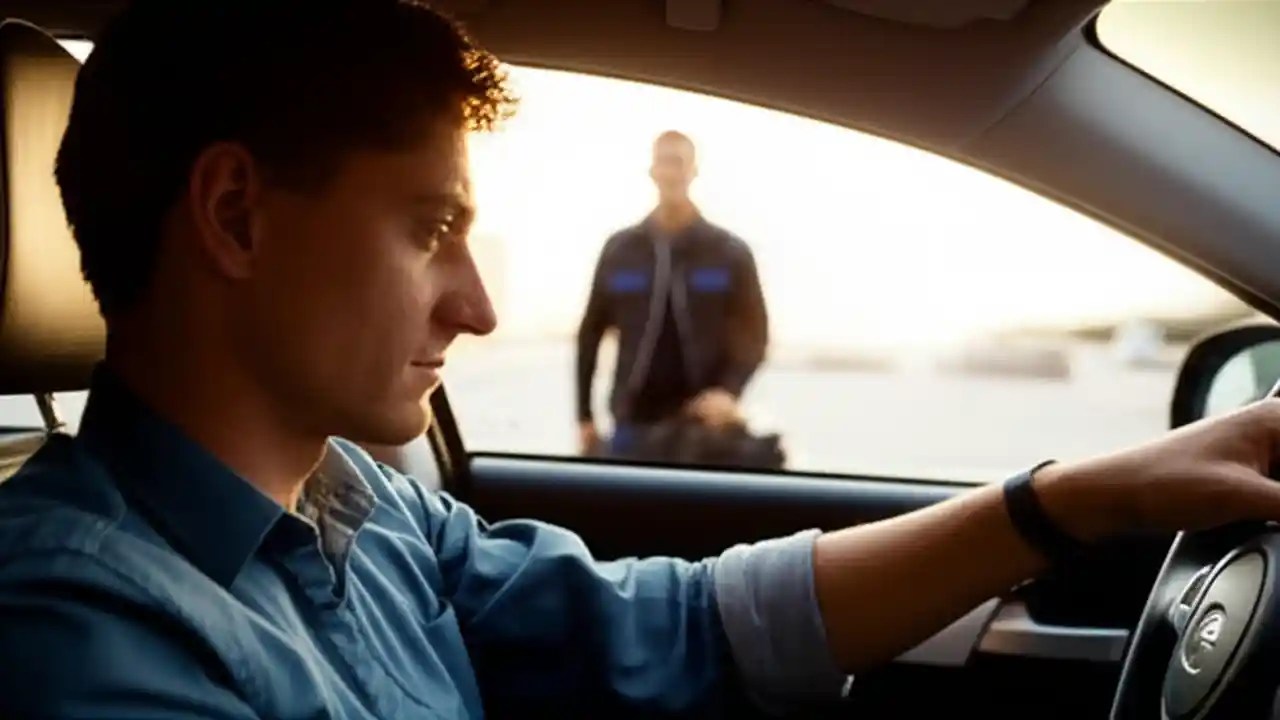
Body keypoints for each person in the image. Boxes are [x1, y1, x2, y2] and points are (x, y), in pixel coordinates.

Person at [2, 1, 1280, 717]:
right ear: (235, 216)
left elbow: (687, 623)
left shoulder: (371, 512)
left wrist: (1075, 500)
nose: (478, 307)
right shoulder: (74, 633)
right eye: (431, 229)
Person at [575, 130, 768, 457]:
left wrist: (729, 391)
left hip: (704, 427)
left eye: (678, 162)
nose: (671, 172)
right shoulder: (621, 250)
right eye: (664, 162)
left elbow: (755, 333)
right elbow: (590, 334)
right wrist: (584, 416)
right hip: (632, 421)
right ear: (652, 171)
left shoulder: (729, 252)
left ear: (693, 170)